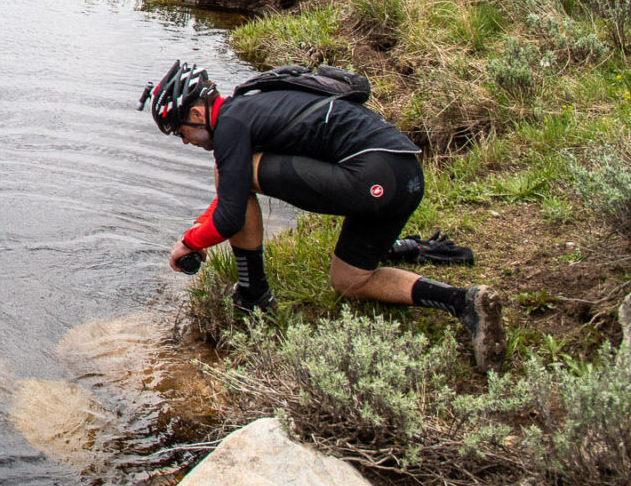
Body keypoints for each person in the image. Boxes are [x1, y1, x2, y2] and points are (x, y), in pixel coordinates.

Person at [141, 59, 506, 370]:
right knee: (349, 280)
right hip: (406, 178)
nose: (185, 141)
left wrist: (188, 242)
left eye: (180, 131)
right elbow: (228, 199)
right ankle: (464, 301)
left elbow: (232, 212)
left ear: (195, 113)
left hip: (372, 178)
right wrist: (202, 231)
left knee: (234, 178)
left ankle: (253, 294)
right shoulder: (250, 106)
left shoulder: (232, 124)